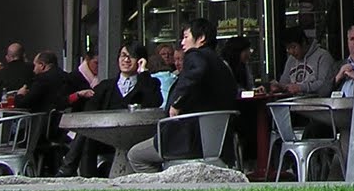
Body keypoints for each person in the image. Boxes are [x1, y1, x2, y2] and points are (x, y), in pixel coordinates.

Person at [128, 18, 241, 171]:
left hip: (188, 141)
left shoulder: (196, 55)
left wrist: (177, 103)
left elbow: (197, 71)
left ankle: (164, 189)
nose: (182, 42)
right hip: (219, 144)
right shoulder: (221, 64)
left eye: (186, 37)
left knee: (135, 155)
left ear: (201, 38)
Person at [59, 44, 164, 177]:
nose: (126, 60)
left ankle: (67, 168)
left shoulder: (149, 83)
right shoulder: (105, 86)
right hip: (106, 138)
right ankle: (88, 179)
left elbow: (154, 102)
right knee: (88, 135)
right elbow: (90, 109)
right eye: (123, 56)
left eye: (132, 56)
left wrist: (143, 72)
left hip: (136, 136)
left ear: (140, 60)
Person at [273, 26, 337, 97]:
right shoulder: (291, 60)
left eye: (293, 47)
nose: (291, 52)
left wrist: (300, 88)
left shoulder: (323, 57)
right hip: (293, 104)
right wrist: (278, 87)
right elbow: (284, 82)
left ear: (303, 42)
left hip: (317, 104)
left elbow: (325, 86)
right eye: (288, 48)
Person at [333, 25, 354, 97]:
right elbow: (323, 91)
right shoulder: (338, 65)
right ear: (348, 42)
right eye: (352, 39)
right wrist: (338, 76)